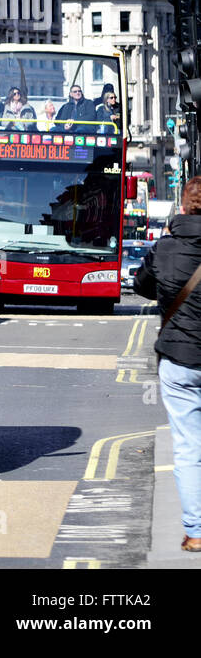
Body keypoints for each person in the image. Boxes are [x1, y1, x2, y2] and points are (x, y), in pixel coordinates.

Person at [134, 176, 201, 552]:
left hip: (178, 359)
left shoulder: (165, 248)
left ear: (184, 206)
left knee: (190, 448)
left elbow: (141, 286)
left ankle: (196, 531)